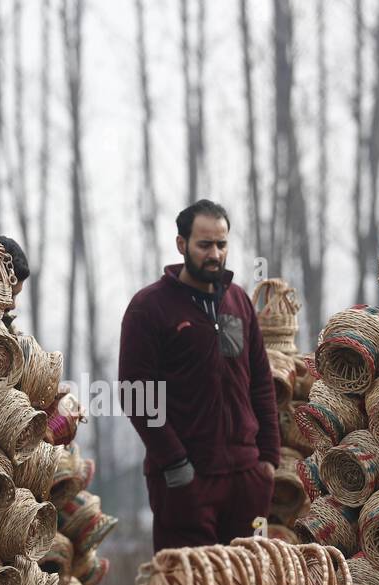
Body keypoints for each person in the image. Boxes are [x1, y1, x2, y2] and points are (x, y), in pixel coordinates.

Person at [118, 199, 281, 552]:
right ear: (182, 245)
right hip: (185, 482)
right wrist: (175, 463)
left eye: (222, 244)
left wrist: (268, 460)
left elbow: (261, 385)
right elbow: (136, 394)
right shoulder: (150, 307)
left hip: (246, 479)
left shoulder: (239, 302)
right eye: (204, 244)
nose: (215, 254)